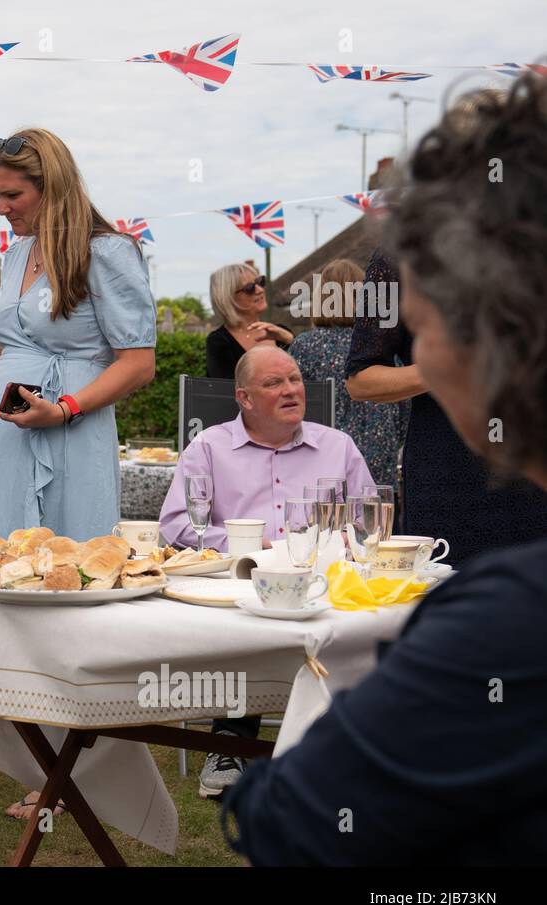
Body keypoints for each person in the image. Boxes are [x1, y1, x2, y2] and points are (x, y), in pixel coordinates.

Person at [224, 73, 547, 865]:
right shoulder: (387, 270)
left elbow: (280, 823)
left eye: (430, 329)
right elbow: (368, 372)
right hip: (448, 488)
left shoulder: (512, 616)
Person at [0, 128, 158, 811]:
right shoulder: (16, 254)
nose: (2, 207)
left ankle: (68, 775)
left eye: (13, 194)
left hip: (71, 435)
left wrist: (64, 407)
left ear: (53, 186)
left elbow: (138, 360)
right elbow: (0, 356)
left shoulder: (109, 252)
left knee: (65, 596)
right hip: (6, 442)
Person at [159, 347, 374, 798]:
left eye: (294, 380)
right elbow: (176, 525)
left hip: (322, 586)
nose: (292, 390)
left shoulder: (338, 447)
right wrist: (252, 547)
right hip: (242, 586)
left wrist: (332, 546)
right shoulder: (209, 447)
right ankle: (231, 742)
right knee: (242, 620)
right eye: (274, 383)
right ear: (245, 398)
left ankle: (344, 744)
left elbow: (367, 524)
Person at [346, 245, 547, 562]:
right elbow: (361, 379)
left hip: (532, 465)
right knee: (451, 594)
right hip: (448, 476)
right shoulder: (400, 255)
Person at [288, 258, 404, 489]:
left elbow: (292, 406)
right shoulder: (384, 347)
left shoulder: (304, 347)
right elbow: (404, 408)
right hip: (379, 458)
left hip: (321, 462)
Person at [204, 263, 293, 378]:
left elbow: (307, 375)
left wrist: (289, 340)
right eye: (249, 288)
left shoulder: (281, 332)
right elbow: (224, 391)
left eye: (260, 282)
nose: (260, 290)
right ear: (228, 298)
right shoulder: (219, 342)